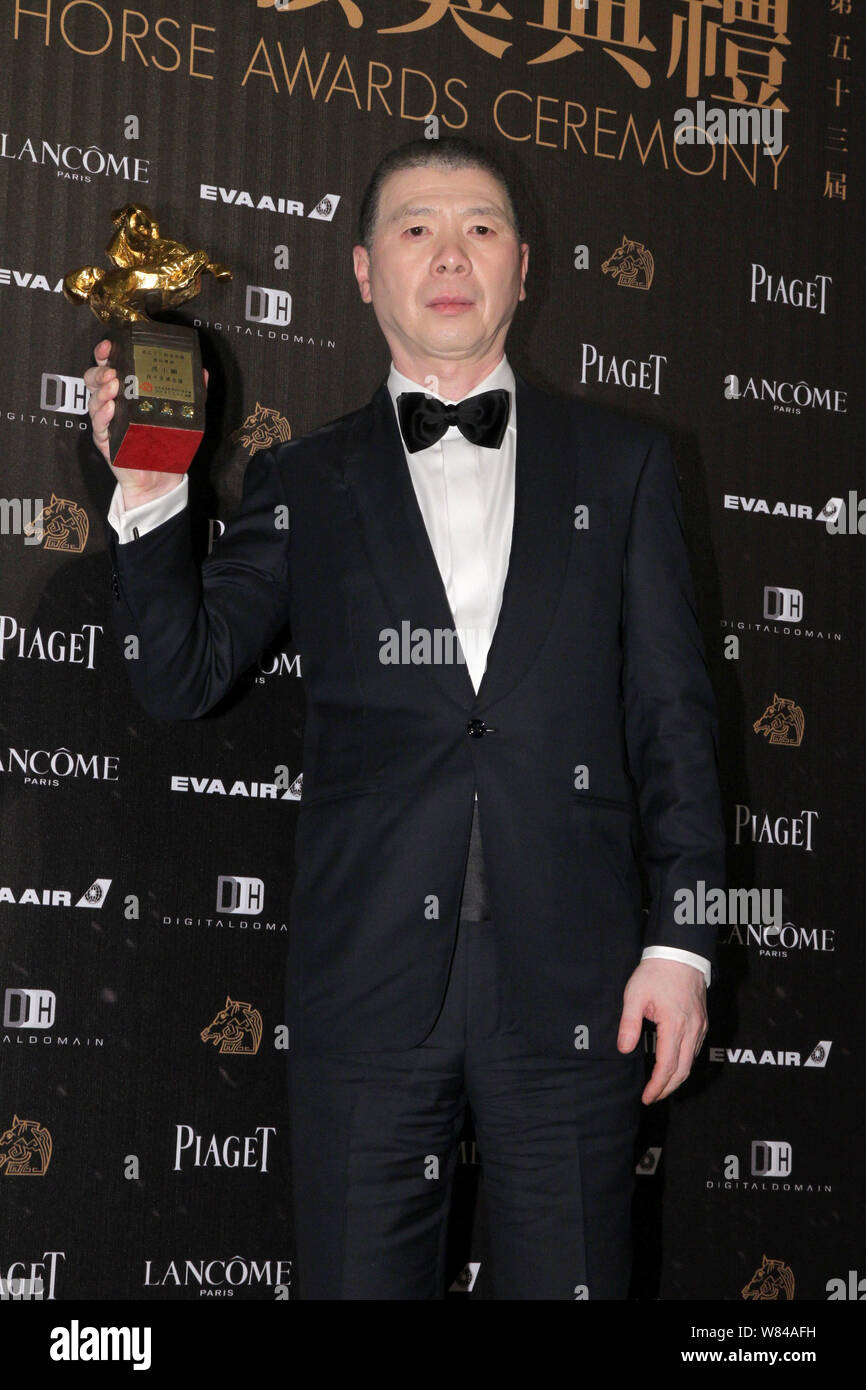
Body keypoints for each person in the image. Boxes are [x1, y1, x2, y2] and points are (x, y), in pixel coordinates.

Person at [86, 137, 725, 1301]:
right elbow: (182, 674)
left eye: (479, 227)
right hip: (365, 985)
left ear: (522, 268)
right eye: (413, 227)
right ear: (365, 272)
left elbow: (673, 722)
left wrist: (679, 943)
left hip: (577, 990)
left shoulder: (627, 467)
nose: (448, 251)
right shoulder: (305, 481)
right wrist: (149, 485)